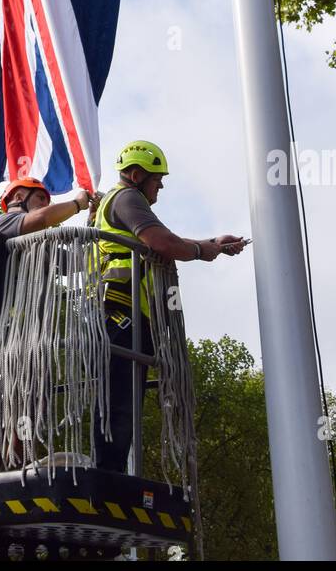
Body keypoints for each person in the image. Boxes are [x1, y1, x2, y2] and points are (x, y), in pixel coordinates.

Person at [93, 140, 247, 473]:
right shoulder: (127, 197)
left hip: (129, 313)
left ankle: (111, 474)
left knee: (124, 398)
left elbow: (168, 241)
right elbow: (163, 243)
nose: (160, 185)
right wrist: (201, 252)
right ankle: (108, 478)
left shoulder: (119, 201)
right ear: (136, 174)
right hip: (122, 311)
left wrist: (212, 245)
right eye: (156, 178)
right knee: (119, 399)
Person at [0, 176, 93, 474]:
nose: (46, 207)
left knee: (27, 409)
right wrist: (77, 203)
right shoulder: (2, 224)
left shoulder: (40, 244)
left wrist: (91, 219)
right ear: (20, 196)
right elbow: (41, 219)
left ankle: (20, 477)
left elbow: (78, 262)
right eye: (41, 199)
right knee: (3, 415)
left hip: (32, 340)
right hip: (7, 336)